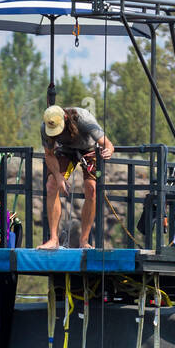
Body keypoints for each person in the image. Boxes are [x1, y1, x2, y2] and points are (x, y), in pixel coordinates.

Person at [38, 105, 115, 251]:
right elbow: (49, 154)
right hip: (67, 150)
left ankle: (84, 241)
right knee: (51, 185)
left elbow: (107, 143)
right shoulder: (46, 127)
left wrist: (108, 150)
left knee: (91, 189)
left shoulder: (84, 119)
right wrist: (59, 177)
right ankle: (53, 239)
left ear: (65, 119)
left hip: (90, 149)